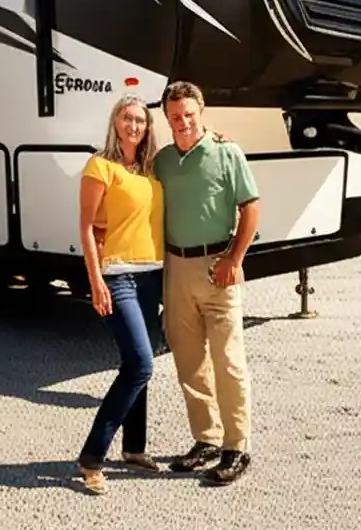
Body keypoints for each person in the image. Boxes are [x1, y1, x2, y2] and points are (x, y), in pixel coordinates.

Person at [154, 80, 260, 487]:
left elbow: (250, 208)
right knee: (188, 361)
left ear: (202, 113)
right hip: (176, 267)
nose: (182, 123)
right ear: (167, 118)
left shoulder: (227, 153)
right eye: (175, 117)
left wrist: (235, 257)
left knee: (228, 361)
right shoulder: (162, 161)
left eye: (189, 115)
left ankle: (237, 447)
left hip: (218, 265)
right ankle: (207, 440)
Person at [74, 93, 166, 495]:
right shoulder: (101, 166)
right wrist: (95, 281)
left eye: (141, 120)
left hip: (152, 277)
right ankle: (91, 458)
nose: (134, 126)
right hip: (118, 277)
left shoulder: (151, 171)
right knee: (140, 365)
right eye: (127, 119)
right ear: (116, 124)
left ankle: (134, 448)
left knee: (142, 361)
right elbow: (85, 228)